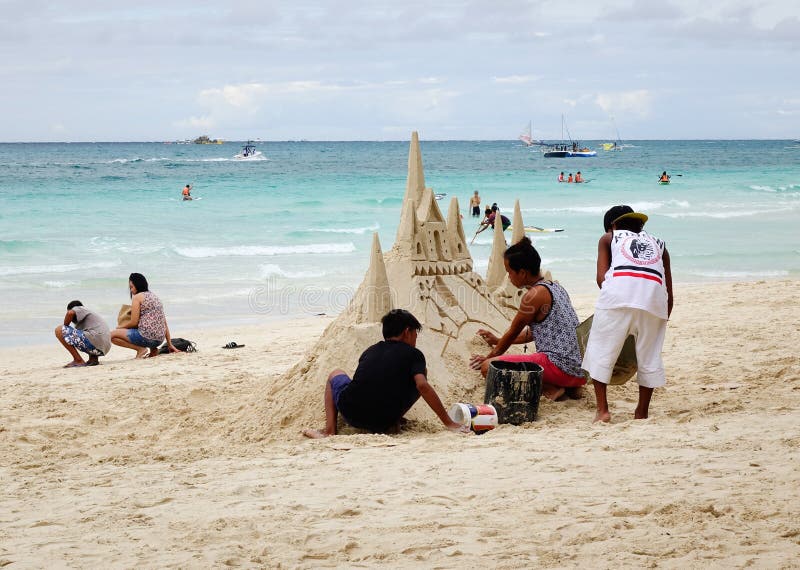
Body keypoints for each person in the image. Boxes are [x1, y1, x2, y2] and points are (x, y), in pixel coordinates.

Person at [303, 309, 468, 438]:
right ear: (407, 332)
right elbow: (422, 386)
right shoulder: (414, 354)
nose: (415, 339)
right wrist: (448, 422)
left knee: (335, 373)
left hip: (351, 412)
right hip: (383, 422)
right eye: (415, 334)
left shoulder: (370, 351)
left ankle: (330, 430)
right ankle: (393, 419)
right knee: (421, 375)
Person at [582, 205, 673, 423]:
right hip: (655, 302)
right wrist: (663, 315)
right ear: (640, 226)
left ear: (612, 226)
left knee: (599, 351)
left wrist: (616, 296)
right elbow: (668, 289)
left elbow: (601, 278)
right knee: (649, 357)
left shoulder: (608, 238)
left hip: (618, 297)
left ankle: (602, 411)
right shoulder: (660, 244)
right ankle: (641, 412)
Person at [470, 237, 586, 401]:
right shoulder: (556, 288)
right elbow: (533, 333)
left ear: (523, 273)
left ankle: (549, 387)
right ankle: (567, 388)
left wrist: (489, 358)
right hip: (579, 371)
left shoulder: (533, 296)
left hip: (559, 367)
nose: (509, 277)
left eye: (510, 272)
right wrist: (497, 340)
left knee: (488, 368)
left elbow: (512, 332)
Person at [110, 273, 179, 358]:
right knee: (146, 326)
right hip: (159, 340)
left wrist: (120, 327)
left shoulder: (138, 297)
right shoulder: (155, 297)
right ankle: (153, 350)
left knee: (112, 335)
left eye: (131, 287)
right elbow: (164, 323)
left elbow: (134, 322)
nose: (131, 290)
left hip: (146, 338)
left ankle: (140, 349)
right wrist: (169, 344)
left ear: (137, 285)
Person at [55, 300, 111, 368]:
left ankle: (78, 360)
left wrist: (65, 326)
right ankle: (93, 359)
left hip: (96, 341)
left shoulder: (79, 308)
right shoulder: (89, 316)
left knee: (59, 330)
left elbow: (70, 313)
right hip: (103, 348)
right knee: (85, 334)